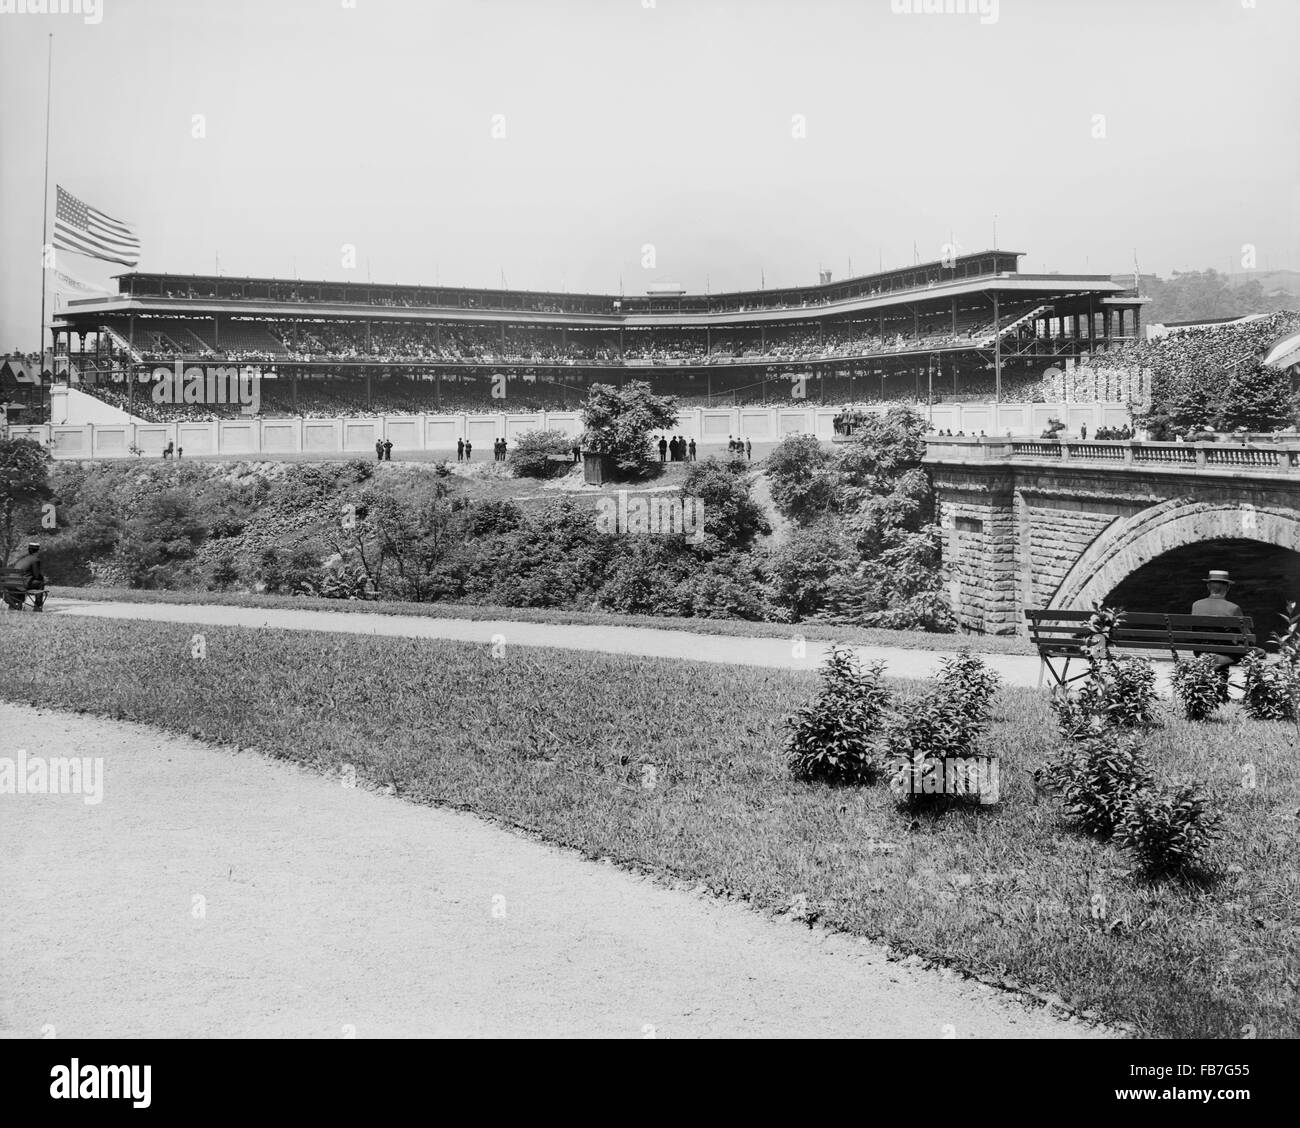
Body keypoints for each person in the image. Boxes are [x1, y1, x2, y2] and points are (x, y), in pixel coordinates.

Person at [1191, 570, 1245, 680]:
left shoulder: (1196, 605)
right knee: (1258, 652)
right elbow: (1246, 637)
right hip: (1226, 654)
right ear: (1228, 587)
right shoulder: (1233, 608)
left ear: (1208, 586)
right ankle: (1221, 688)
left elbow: (1194, 630)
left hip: (1201, 652)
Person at [5, 540, 46, 612]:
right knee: (40, 583)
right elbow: (36, 576)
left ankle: (14, 605)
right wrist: (43, 578)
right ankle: (38, 606)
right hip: (20, 585)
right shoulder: (35, 560)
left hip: (10, 584)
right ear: (37, 551)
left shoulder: (22, 559)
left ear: (29, 550)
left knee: (24, 582)